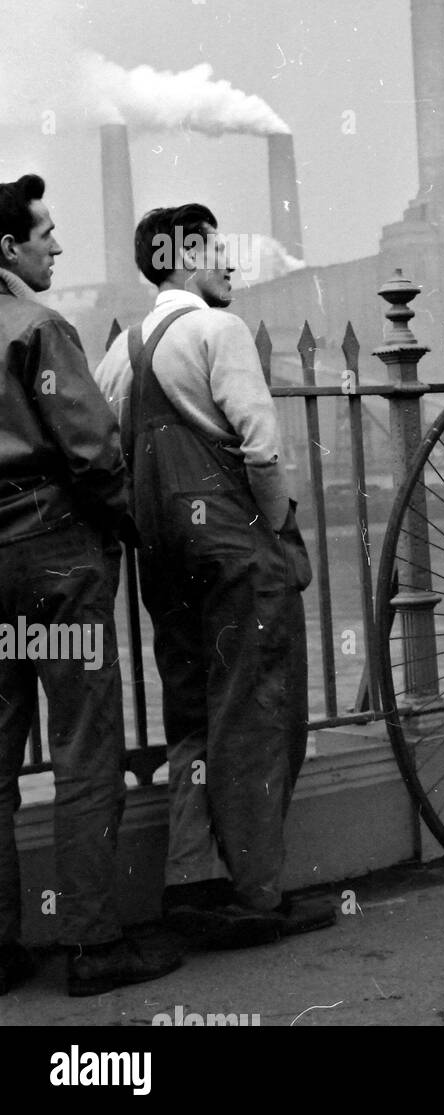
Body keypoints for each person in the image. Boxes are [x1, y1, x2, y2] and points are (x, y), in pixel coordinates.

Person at [96, 204, 333, 948]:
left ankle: (190, 879)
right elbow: (261, 450)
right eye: (216, 251)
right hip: (237, 551)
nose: (229, 265)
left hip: (164, 564)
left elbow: (108, 467)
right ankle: (258, 893)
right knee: (258, 715)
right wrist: (281, 527)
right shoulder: (217, 331)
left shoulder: (117, 357)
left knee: (192, 717)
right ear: (182, 256)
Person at [0, 172, 183, 996]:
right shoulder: (39, 327)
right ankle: (91, 942)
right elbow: (92, 452)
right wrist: (126, 523)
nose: (57, 245)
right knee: (81, 745)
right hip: (52, 556)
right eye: (44, 233)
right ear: (8, 248)